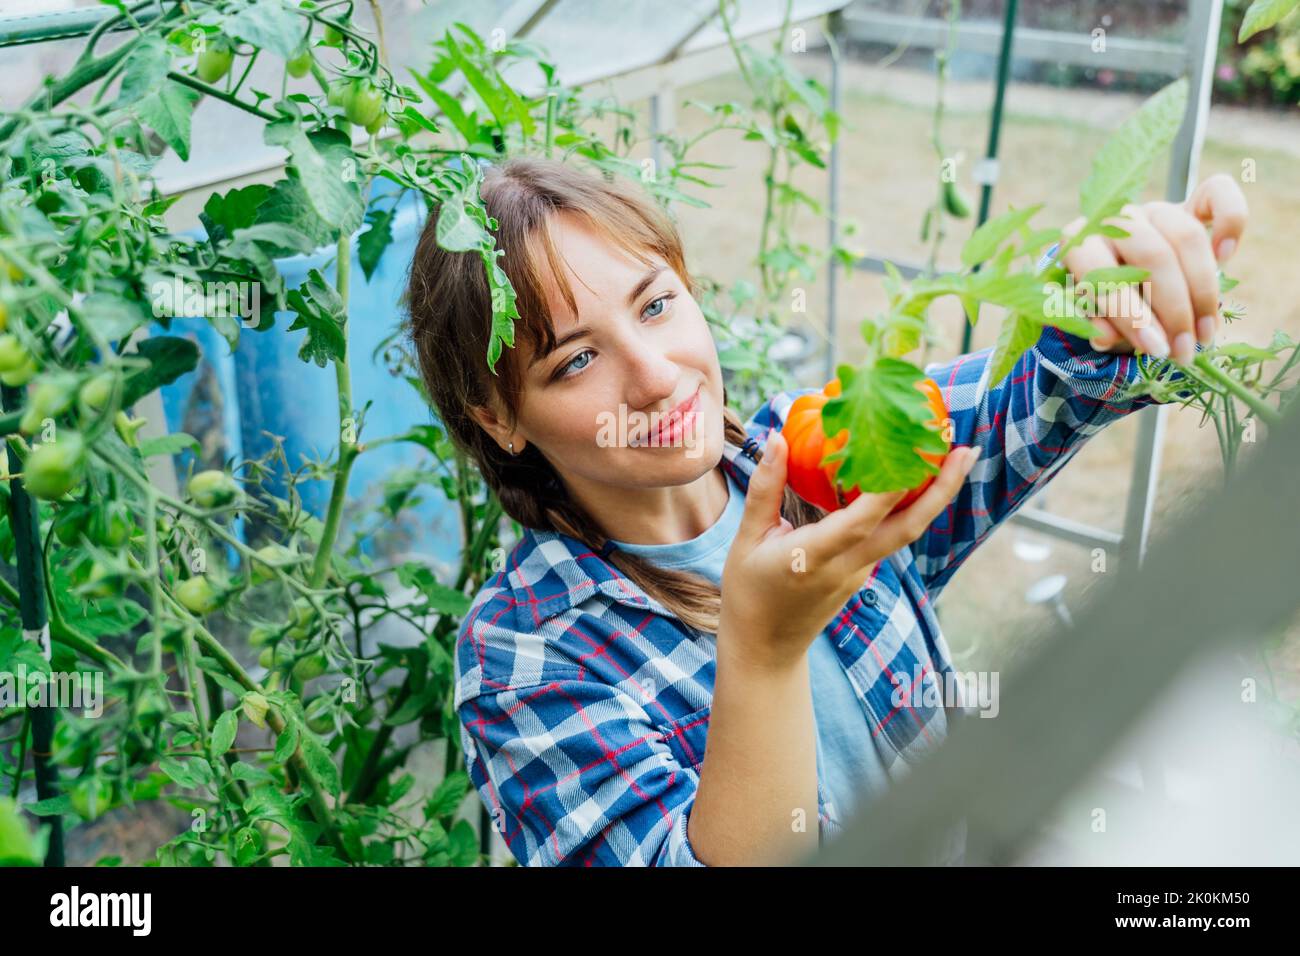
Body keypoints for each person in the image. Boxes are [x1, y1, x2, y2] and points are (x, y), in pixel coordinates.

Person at [404, 156, 1248, 866]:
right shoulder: (527, 654)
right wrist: (762, 651)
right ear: (498, 417)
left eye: (656, 305)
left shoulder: (818, 458)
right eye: (577, 358)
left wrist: (1109, 300)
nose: (657, 375)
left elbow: (1043, 392)